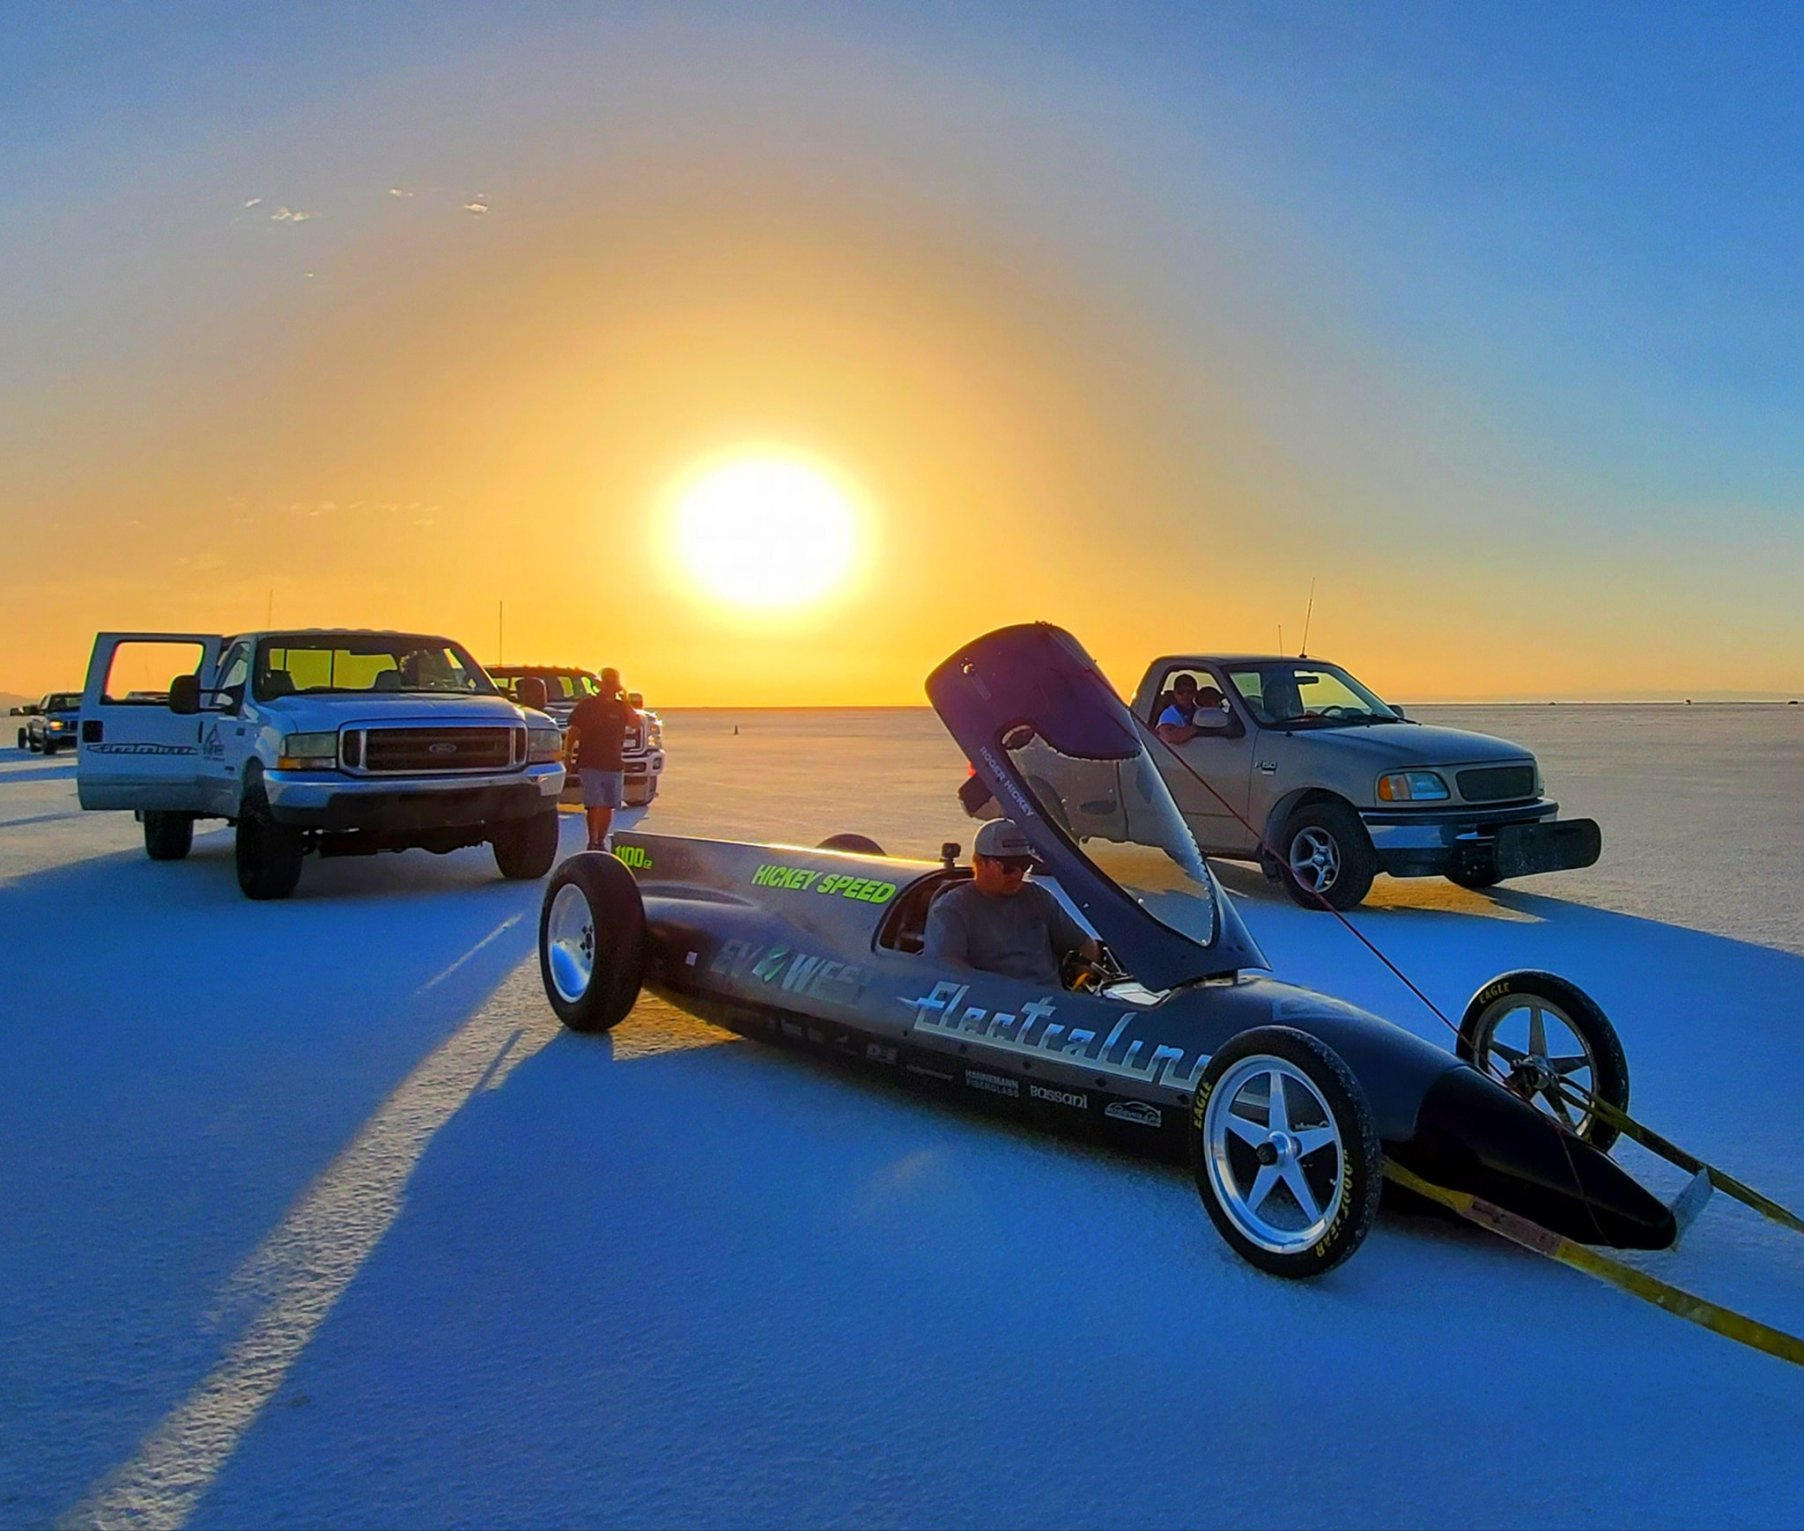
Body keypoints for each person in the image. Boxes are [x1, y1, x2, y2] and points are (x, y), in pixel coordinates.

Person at [923, 818, 1101, 986]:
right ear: (980, 862)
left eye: (1024, 865)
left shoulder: (1037, 896)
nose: (1018, 874)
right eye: (1008, 867)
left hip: (1053, 1002)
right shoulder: (952, 910)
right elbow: (947, 974)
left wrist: (1082, 978)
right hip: (999, 1007)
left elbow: (1085, 944)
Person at [565, 666, 638, 851]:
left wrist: (626, 700)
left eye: (613, 681)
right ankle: (592, 840)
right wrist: (567, 756)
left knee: (609, 805)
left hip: (613, 764)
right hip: (591, 763)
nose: (610, 684)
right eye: (607, 681)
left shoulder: (620, 707)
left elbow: (635, 724)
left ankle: (600, 841)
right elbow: (573, 731)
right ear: (600, 683)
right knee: (595, 804)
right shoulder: (587, 705)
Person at [1155, 674, 1228, 746]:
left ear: (1195, 693)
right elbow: (1169, 736)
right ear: (1174, 693)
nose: (1185, 695)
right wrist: (1197, 729)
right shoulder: (1170, 714)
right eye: (1181, 692)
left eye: (1190, 692)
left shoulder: (1199, 711)